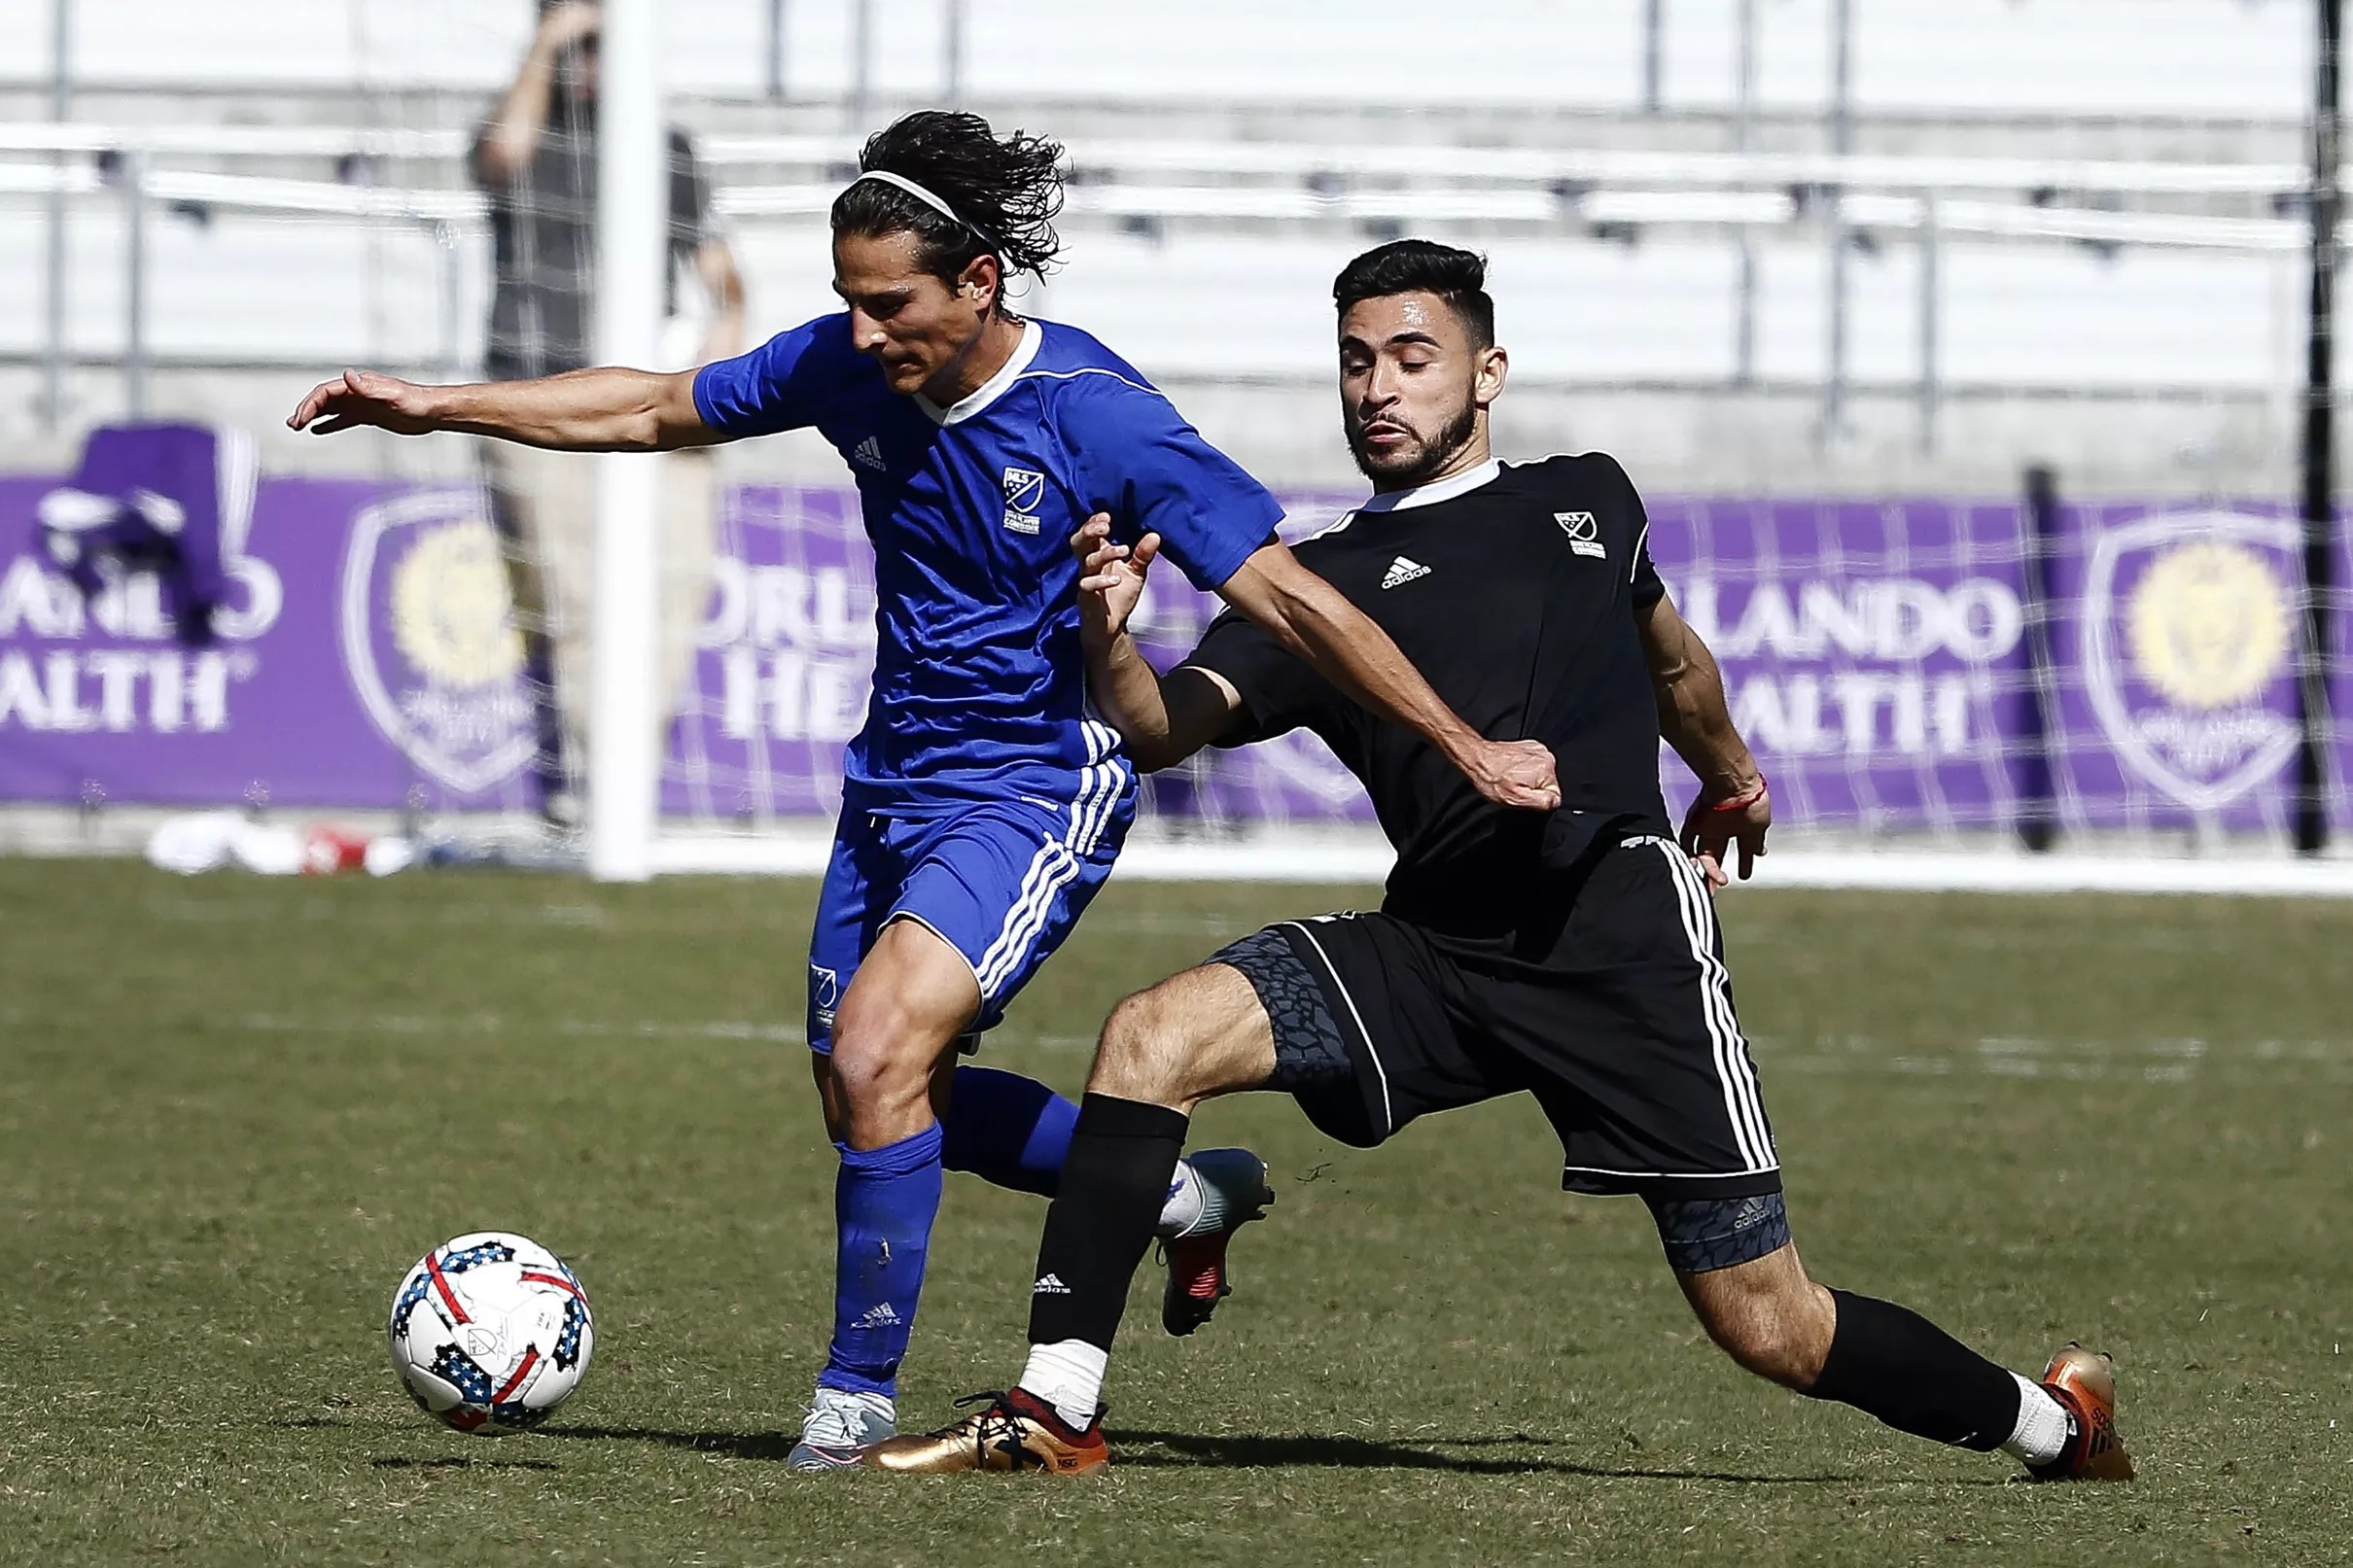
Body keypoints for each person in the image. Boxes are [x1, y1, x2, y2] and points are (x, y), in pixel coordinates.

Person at [290, 124, 1560, 1472]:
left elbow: (1292, 598)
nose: (860, 325)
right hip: (891, 778)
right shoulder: (856, 363)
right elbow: (656, 404)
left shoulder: (1095, 413)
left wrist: (1463, 742)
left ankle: (852, 1403)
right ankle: (1178, 1193)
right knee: (879, 1096)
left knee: (880, 1051)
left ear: (980, 284)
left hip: (1036, 780)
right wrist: (437, 403)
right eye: (848, 295)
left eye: (888, 300)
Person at [861, 239, 2135, 1484]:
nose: (1378, 388)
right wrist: (1109, 643)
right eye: (1356, 362)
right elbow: (1156, 734)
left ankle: (2054, 1424)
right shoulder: (1314, 589)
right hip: (1437, 952)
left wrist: (1733, 772)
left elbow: (1676, 661)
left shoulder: (1585, 499)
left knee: (1772, 1323)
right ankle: (1058, 1408)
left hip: (1620, 943)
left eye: (1412, 358)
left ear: (1487, 374)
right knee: (1152, 1033)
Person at [472, 0, 749, 826]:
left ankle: (632, 770)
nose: (594, 62)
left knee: (678, 582)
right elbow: (499, 157)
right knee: (573, 596)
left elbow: (723, 276)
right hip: (539, 397)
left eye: (605, 44)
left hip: (649, 403)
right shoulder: (526, 130)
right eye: (581, 45)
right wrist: (551, 39)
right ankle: (593, 785)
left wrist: (715, 358)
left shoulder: (665, 148)